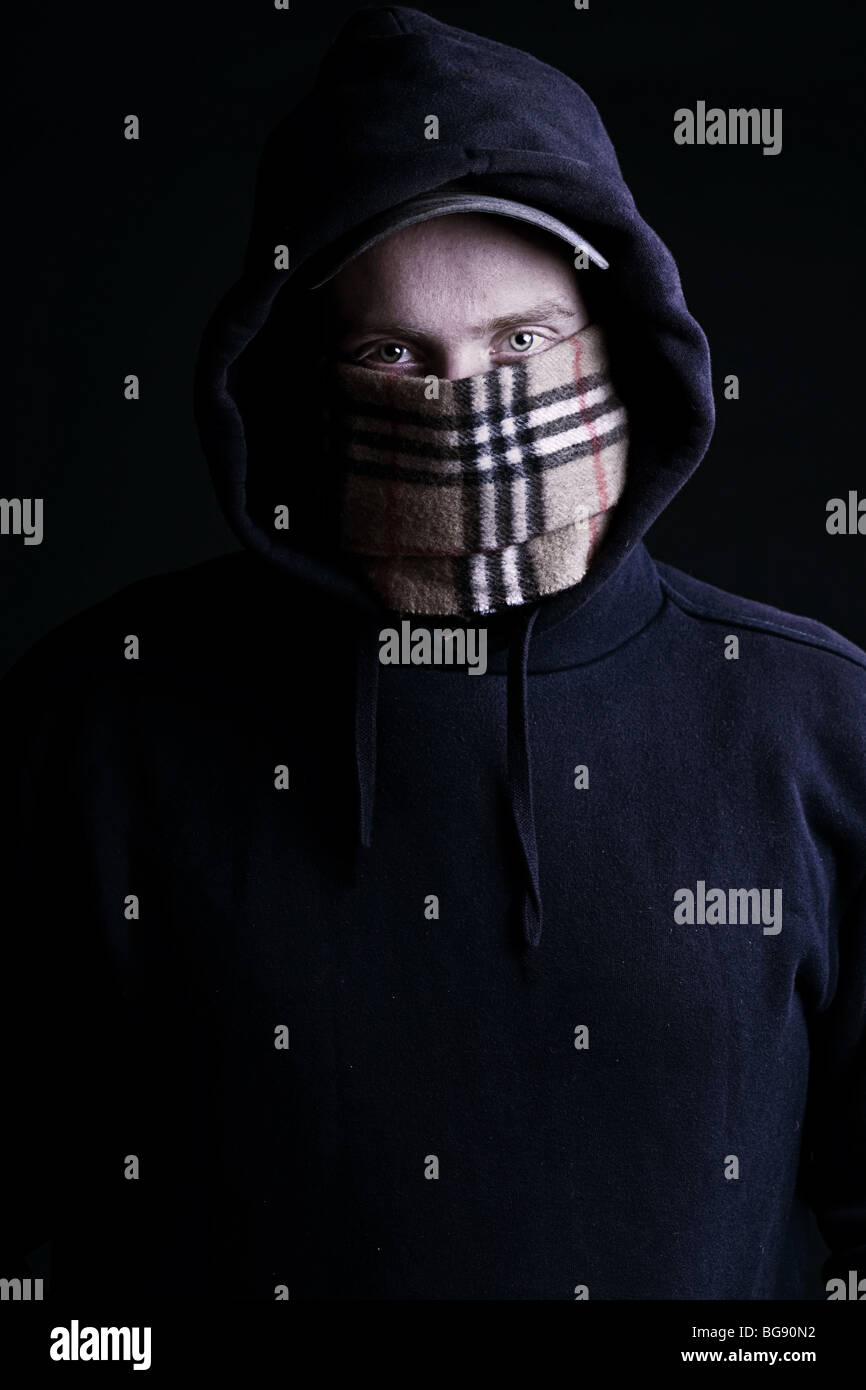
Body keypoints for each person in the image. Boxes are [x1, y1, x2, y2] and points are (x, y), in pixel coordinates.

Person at [2, 4, 864, 1302]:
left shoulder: (813, 722)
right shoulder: (98, 714)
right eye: (389, 354)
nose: (465, 409)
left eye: (521, 343)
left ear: (618, 335)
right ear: (300, 377)